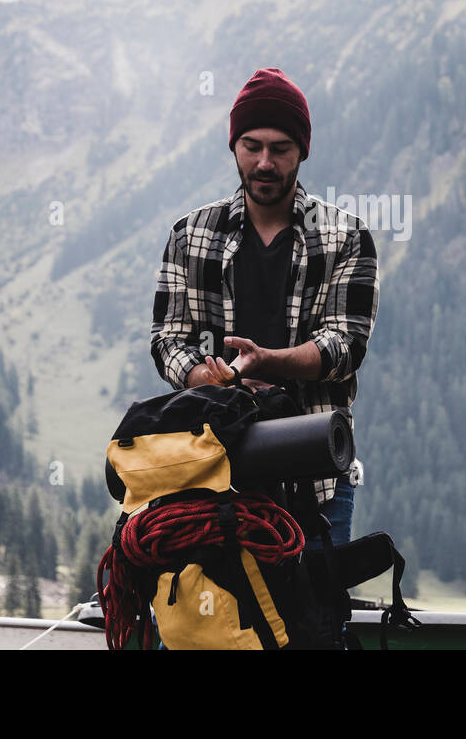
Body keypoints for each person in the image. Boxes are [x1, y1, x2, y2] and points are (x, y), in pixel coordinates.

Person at [150, 67, 378, 548]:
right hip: (212, 471)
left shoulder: (345, 237)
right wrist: (206, 377)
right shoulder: (191, 235)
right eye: (252, 146)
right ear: (234, 145)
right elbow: (168, 340)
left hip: (315, 478)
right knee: (216, 619)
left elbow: (345, 347)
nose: (265, 162)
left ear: (303, 151)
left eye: (280, 148)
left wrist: (268, 362)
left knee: (316, 618)